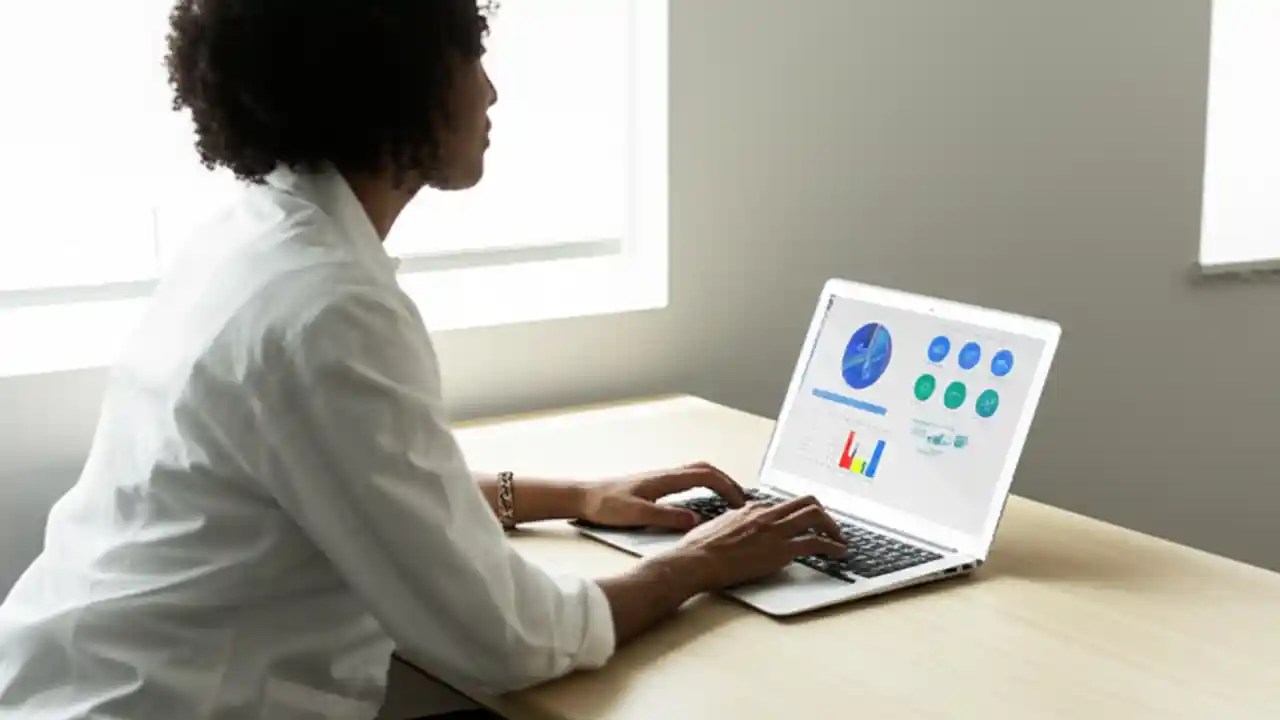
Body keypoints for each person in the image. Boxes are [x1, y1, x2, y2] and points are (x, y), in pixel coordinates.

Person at [0, 1, 846, 718]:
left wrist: (577, 497)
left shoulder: (257, 241)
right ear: (388, 75)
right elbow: (509, 640)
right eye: (470, 54)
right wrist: (703, 563)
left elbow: (355, 492)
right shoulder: (325, 308)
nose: (490, 89)